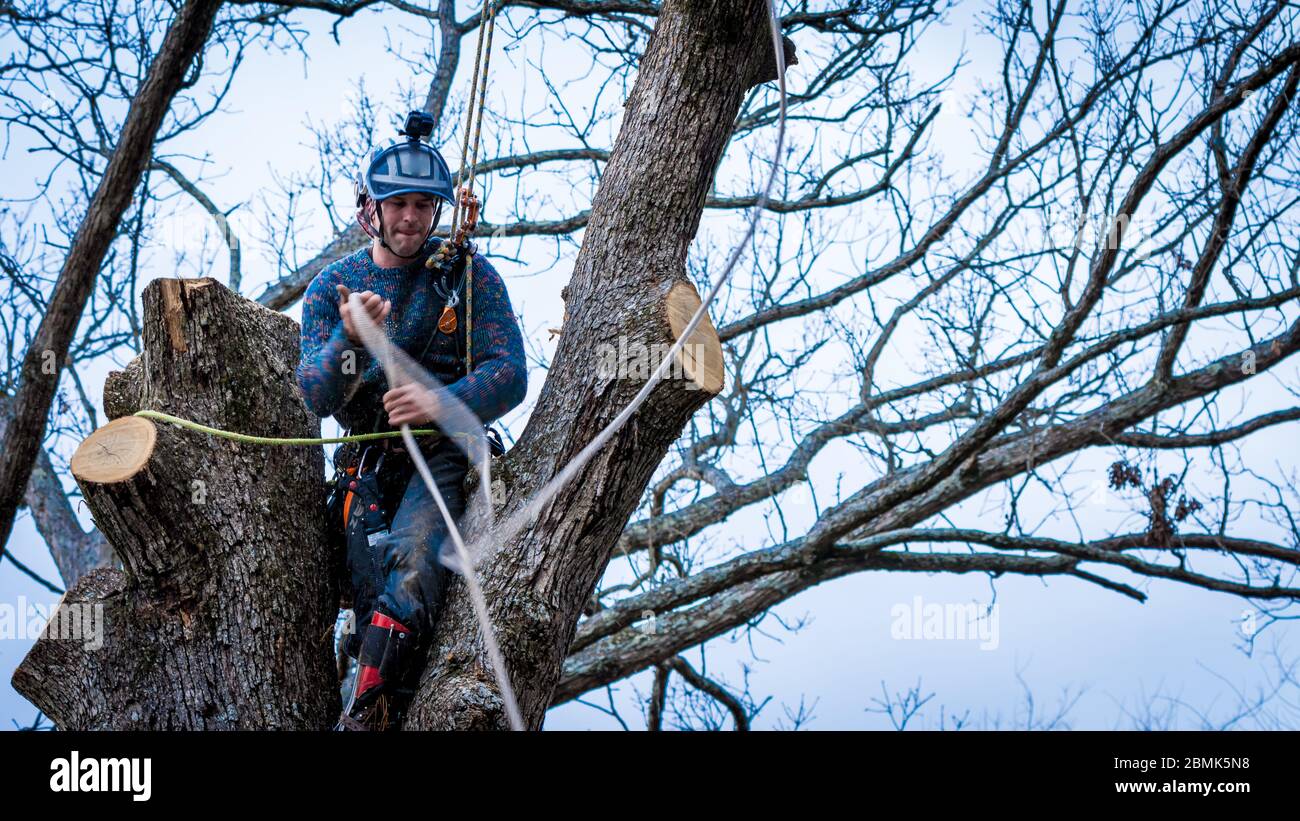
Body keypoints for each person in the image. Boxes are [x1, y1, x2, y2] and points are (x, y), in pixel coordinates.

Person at [296, 113, 527, 730]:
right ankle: (375, 697)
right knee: (369, 585)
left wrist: (439, 402)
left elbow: (510, 373)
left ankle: (366, 714)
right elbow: (316, 395)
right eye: (397, 203)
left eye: (424, 205)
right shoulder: (334, 286)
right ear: (367, 207)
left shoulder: (468, 276)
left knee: (416, 554)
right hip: (365, 462)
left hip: (445, 452)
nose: (411, 218)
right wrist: (351, 337)